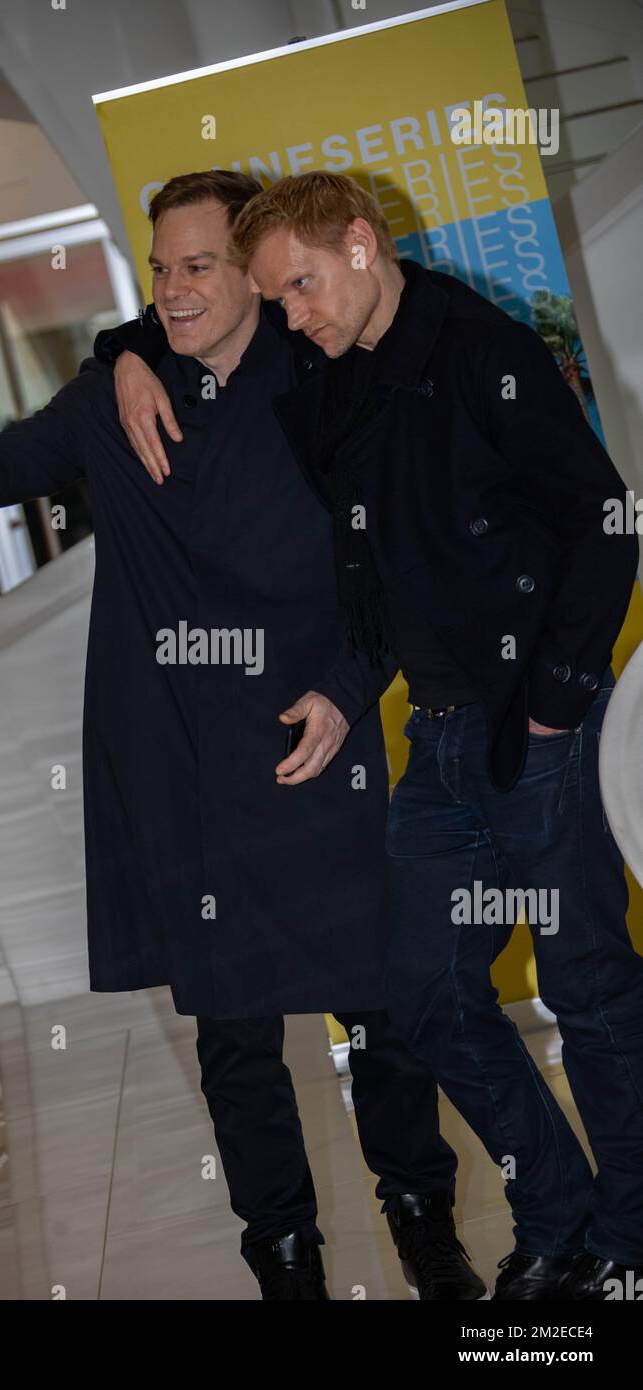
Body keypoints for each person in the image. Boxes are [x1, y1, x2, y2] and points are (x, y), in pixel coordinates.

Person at [0, 169, 484, 1302]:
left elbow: (390, 575)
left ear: (251, 271)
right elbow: (3, 471)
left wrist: (343, 689)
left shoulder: (329, 387)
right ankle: (283, 1256)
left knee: (384, 1007)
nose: (174, 290)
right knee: (234, 1039)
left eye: (198, 266)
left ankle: (420, 1219)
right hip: (179, 765)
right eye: (159, 270)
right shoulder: (114, 395)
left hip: (312, 750)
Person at [109, 169, 643, 1302]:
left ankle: (630, 1249)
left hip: (538, 725)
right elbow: (189, 320)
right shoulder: (335, 374)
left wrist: (553, 700)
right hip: (440, 741)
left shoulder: (482, 350)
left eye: (299, 288)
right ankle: (557, 1219)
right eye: (278, 297)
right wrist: (121, 351)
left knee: (586, 988)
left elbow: (604, 519)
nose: (291, 316)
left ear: (359, 244)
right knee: (424, 994)